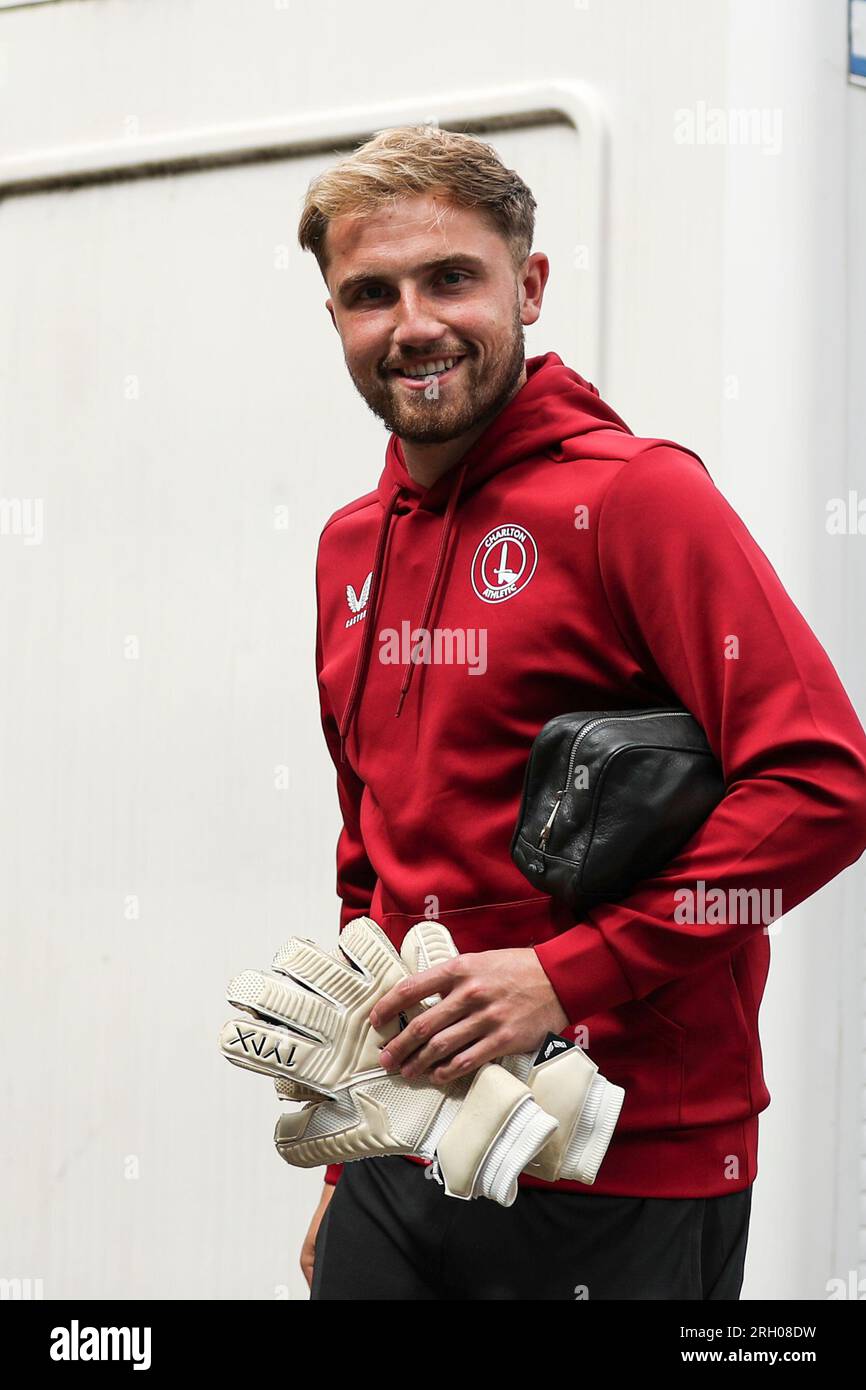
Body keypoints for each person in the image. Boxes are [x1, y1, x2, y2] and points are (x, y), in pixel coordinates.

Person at [293, 124, 866, 1299]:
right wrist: (353, 1143)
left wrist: (566, 974)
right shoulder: (349, 547)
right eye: (369, 293)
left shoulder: (638, 496)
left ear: (529, 287)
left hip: (629, 1163)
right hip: (406, 1155)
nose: (412, 323)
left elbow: (823, 787)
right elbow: (373, 859)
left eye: (451, 277)